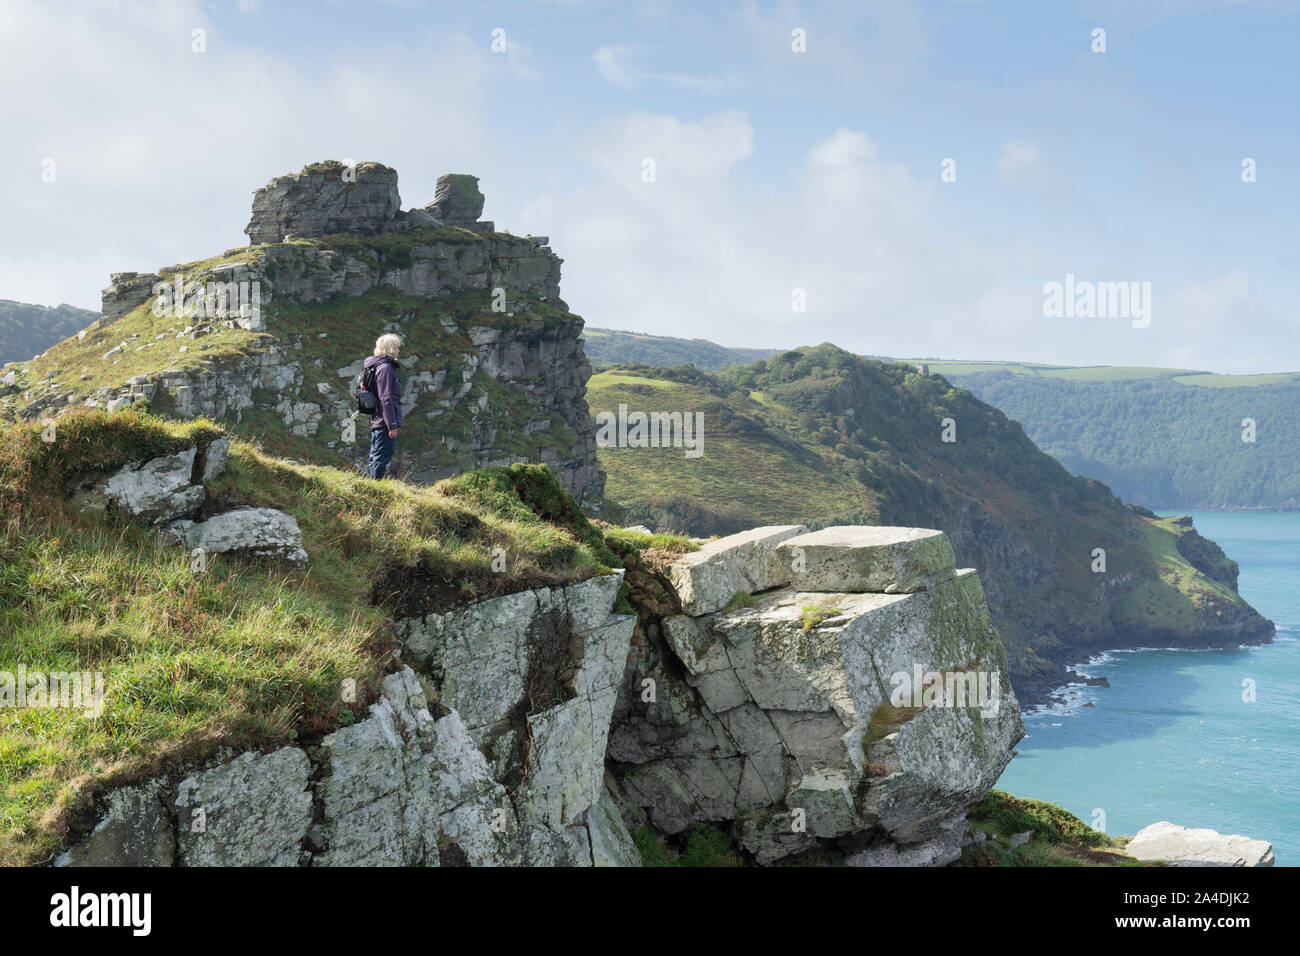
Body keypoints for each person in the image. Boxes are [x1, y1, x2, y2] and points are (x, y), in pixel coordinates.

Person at [364, 333, 403, 479]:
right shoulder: (385, 368)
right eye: (398, 347)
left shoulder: (379, 366)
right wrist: (392, 425)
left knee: (376, 454)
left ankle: (374, 484)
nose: (399, 351)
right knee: (381, 456)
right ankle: (376, 487)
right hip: (384, 421)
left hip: (378, 419)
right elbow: (385, 398)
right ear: (391, 349)